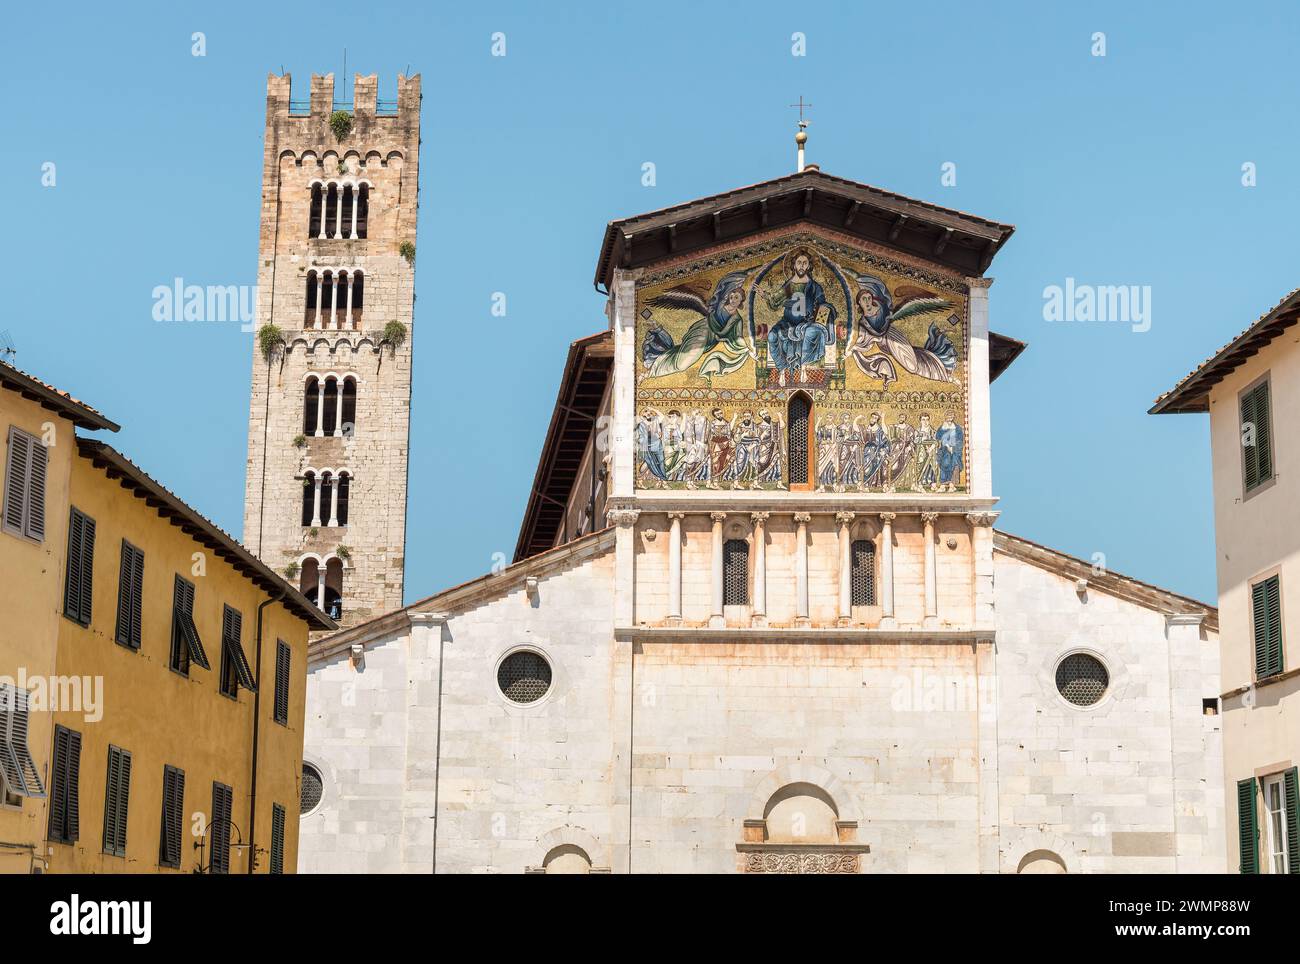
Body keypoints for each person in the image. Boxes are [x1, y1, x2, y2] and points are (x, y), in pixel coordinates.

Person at [759, 248, 836, 386]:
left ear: (809, 266)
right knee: (772, 336)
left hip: (807, 322)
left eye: (804, 263)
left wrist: (823, 310)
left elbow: (822, 302)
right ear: (794, 265)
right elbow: (775, 301)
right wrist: (765, 295)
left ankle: (804, 367)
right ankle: (782, 369)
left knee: (812, 332)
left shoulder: (814, 287)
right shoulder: (789, 286)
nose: (801, 265)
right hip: (787, 322)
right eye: (799, 262)